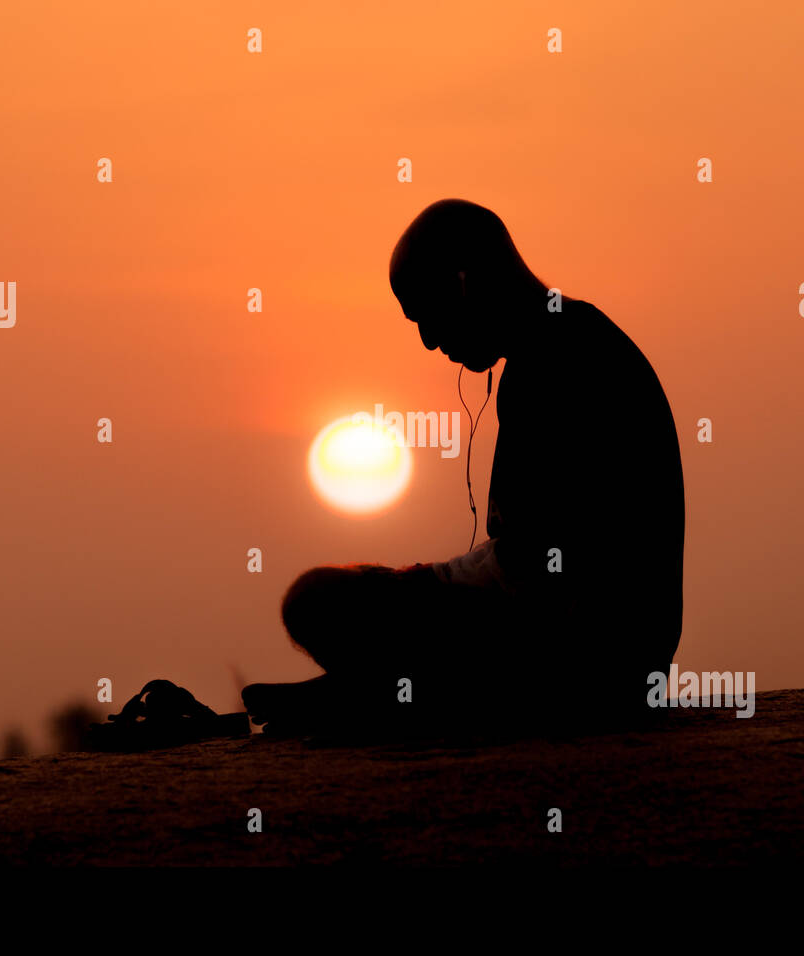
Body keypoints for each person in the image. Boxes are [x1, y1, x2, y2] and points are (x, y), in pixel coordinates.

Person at [243, 199, 685, 733]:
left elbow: (537, 577)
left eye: (425, 316)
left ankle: (371, 696)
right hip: (616, 661)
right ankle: (372, 692)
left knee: (315, 601)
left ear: (462, 284)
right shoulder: (566, 339)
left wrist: (422, 583)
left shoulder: (555, 361)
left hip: (589, 669)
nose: (430, 340)